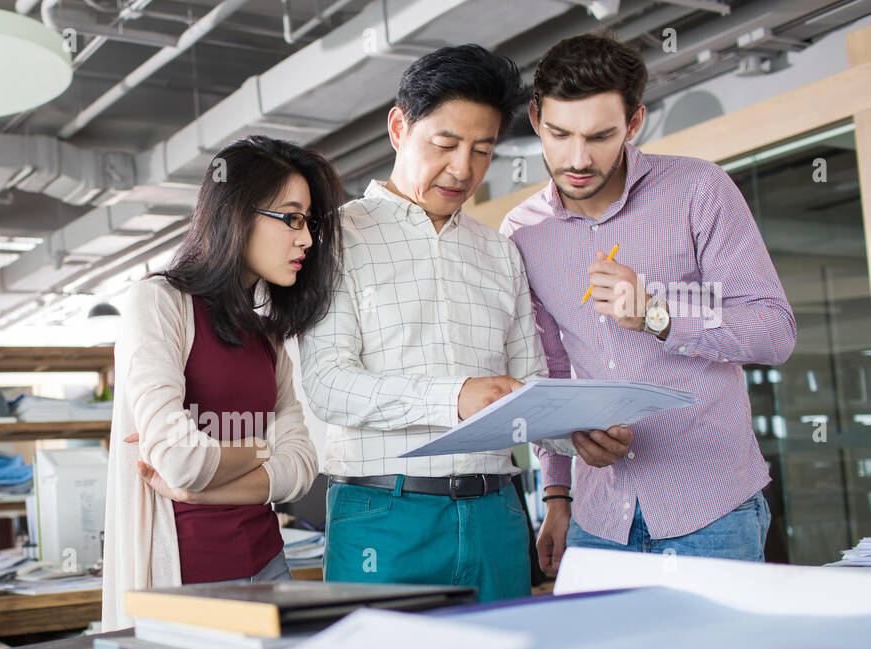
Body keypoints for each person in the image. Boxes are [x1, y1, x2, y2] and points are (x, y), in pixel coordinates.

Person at [300, 45, 609, 603]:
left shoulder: (500, 252)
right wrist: (457, 398)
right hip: (383, 517)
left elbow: (529, 386)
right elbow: (328, 385)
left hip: (497, 515)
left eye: (483, 150)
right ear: (399, 127)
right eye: (444, 144)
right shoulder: (333, 238)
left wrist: (580, 431)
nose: (463, 169)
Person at [501, 31, 795, 570]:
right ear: (537, 117)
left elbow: (774, 331)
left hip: (712, 510)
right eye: (560, 134)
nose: (578, 158)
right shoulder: (523, 232)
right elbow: (552, 372)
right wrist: (557, 496)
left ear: (634, 123)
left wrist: (657, 316)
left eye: (600, 135)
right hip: (597, 517)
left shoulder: (699, 191)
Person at [101, 135, 342, 629]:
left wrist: (205, 487)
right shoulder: (159, 304)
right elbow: (181, 460)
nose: (307, 239)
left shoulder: (268, 335)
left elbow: (301, 468)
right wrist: (259, 449)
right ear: (237, 214)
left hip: (270, 568)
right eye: (293, 218)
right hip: (187, 584)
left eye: (310, 222)